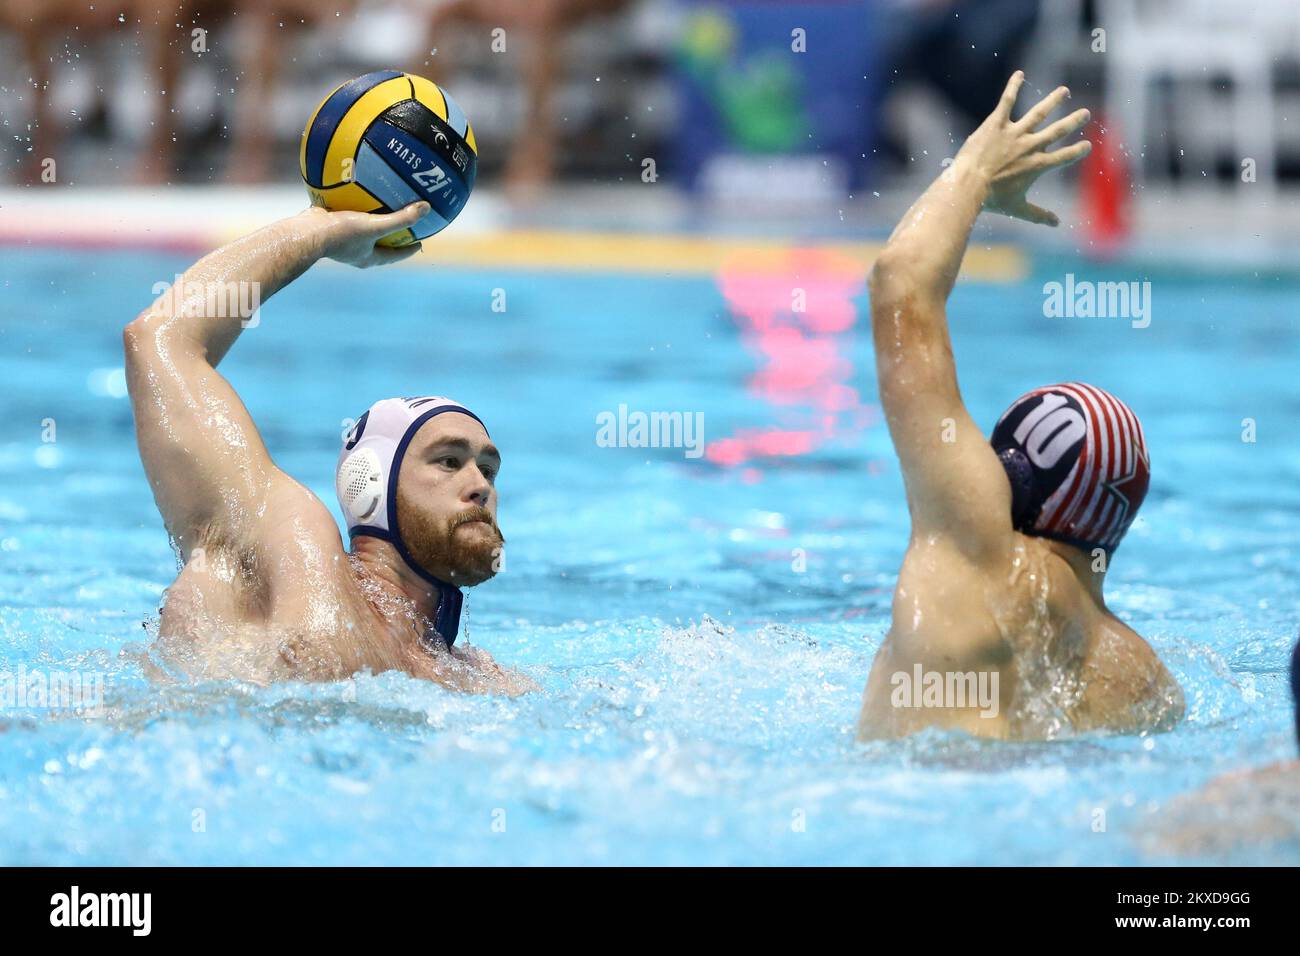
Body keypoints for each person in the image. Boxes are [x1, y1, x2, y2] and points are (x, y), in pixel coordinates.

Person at [856, 72, 1183, 740]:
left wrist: (974, 173)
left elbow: (900, 288)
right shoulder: (1149, 680)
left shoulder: (977, 550)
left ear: (1010, 473)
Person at [124, 201, 533, 694]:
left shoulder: (475, 678)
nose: (479, 487)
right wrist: (319, 232)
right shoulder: (296, 558)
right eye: (449, 461)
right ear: (372, 487)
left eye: (489, 471)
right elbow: (161, 339)